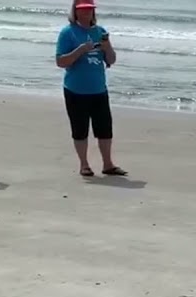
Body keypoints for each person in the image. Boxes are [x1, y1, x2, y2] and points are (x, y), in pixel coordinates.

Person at [54, 0, 125, 177]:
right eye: (83, 10)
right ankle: (84, 164)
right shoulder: (68, 33)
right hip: (76, 90)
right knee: (80, 129)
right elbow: (60, 62)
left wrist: (107, 47)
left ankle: (108, 164)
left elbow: (111, 60)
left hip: (99, 89)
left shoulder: (100, 32)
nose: (87, 13)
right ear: (75, 12)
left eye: (90, 10)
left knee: (105, 129)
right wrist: (80, 50)